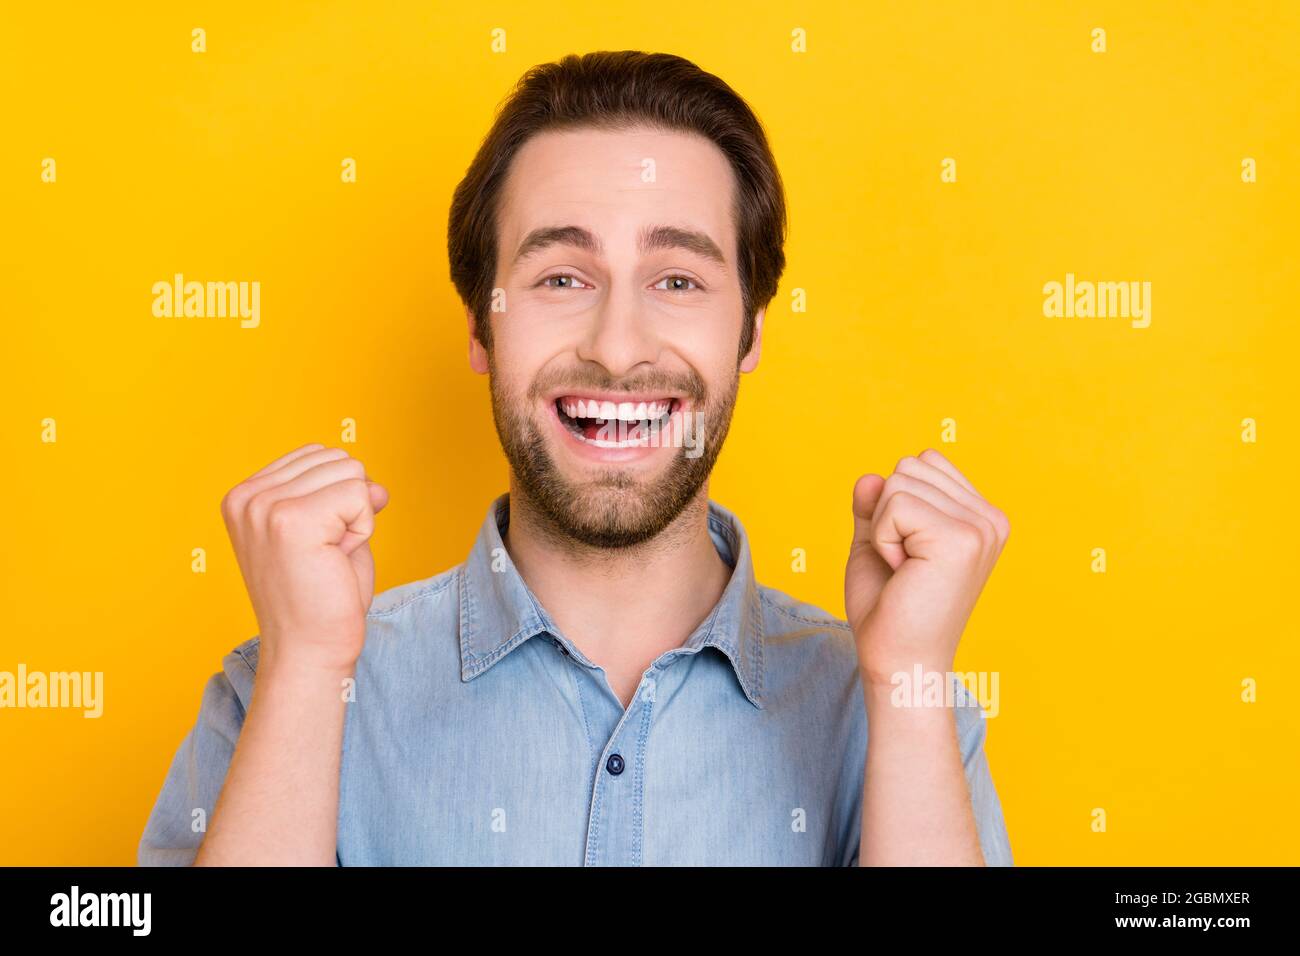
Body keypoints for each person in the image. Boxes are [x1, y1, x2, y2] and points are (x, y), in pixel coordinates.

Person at [138, 50, 1013, 866]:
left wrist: (905, 683)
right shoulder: (285, 685)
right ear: (482, 326)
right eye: (562, 278)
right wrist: (307, 673)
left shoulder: (903, 708)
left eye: (678, 280)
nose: (618, 346)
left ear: (748, 331)